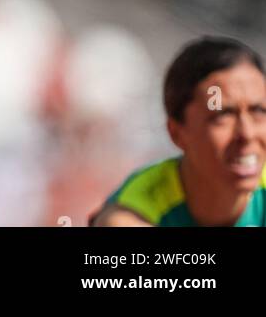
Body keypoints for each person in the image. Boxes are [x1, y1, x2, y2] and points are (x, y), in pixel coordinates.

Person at [90, 36, 266, 226]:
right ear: (176, 133)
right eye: (223, 116)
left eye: (258, 111)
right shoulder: (134, 216)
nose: (247, 134)